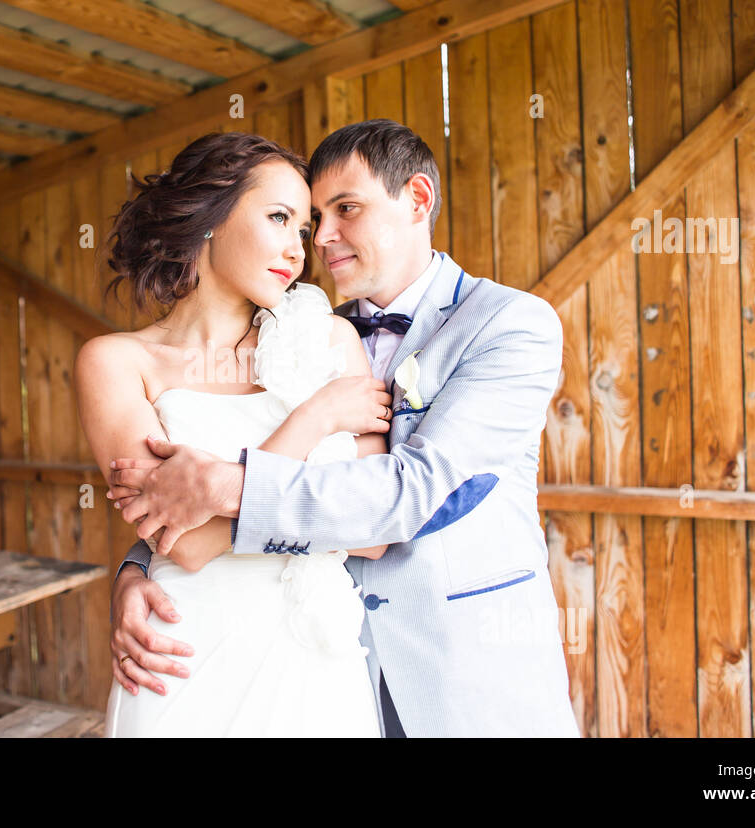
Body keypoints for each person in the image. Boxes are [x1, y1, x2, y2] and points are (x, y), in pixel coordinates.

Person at [107, 119, 580, 737]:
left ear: (417, 199)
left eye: (345, 210)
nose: (321, 241)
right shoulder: (309, 334)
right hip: (333, 665)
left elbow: (411, 491)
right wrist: (138, 568)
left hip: (465, 673)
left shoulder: (508, 325)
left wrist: (225, 487)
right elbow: (191, 486)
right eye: (311, 219)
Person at [75, 131, 398, 736]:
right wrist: (312, 421)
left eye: (302, 230)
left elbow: (373, 530)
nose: (298, 250)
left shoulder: (331, 342)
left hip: (315, 659)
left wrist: (219, 500)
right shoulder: (116, 363)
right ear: (209, 220)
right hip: (184, 654)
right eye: (279, 217)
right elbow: (187, 547)